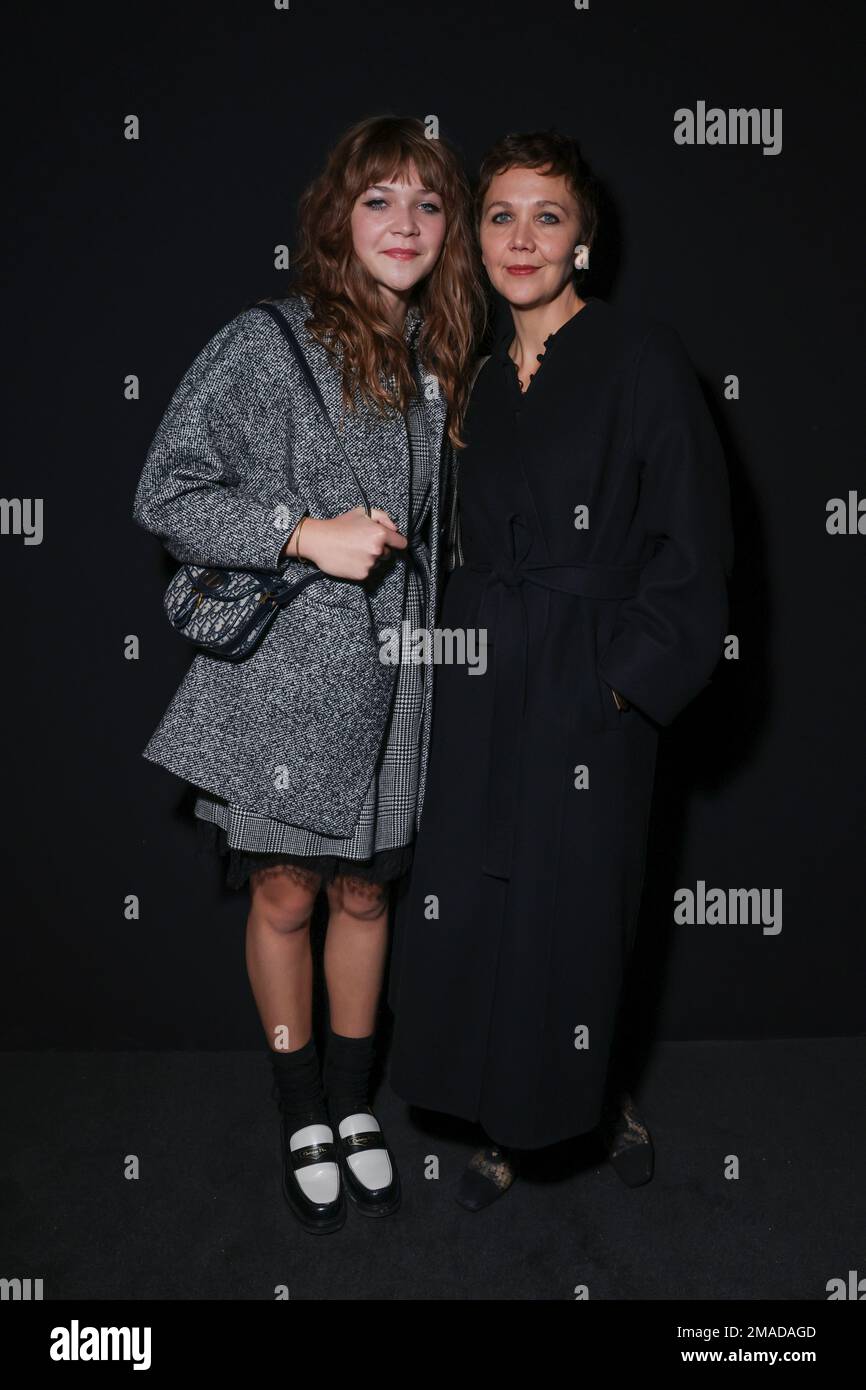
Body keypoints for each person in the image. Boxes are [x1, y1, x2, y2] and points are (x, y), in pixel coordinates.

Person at [132, 115, 485, 1233]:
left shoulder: (443, 357)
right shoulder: (266, 340)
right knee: (284, 889)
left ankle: (350, 1099)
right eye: (379, 197)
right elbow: (167, 493)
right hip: (288, 680)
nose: (405, 222)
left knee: (367, 889)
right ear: (338, 216)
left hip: (400, 684)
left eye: (428, 202)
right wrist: (301, 529)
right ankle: (298, 1107)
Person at [387, 130, 734, 1209]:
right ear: (476, 240)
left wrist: (620, 684)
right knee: (485, 908)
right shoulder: (475, 379)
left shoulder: (641, 357)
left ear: (583, 238)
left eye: (546, 215)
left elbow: (695, 544)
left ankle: (585, 1100)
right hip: (484, 679)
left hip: (588, 685)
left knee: (576, 911)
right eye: (498, 215)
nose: (521, 236)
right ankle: (504, 1115)